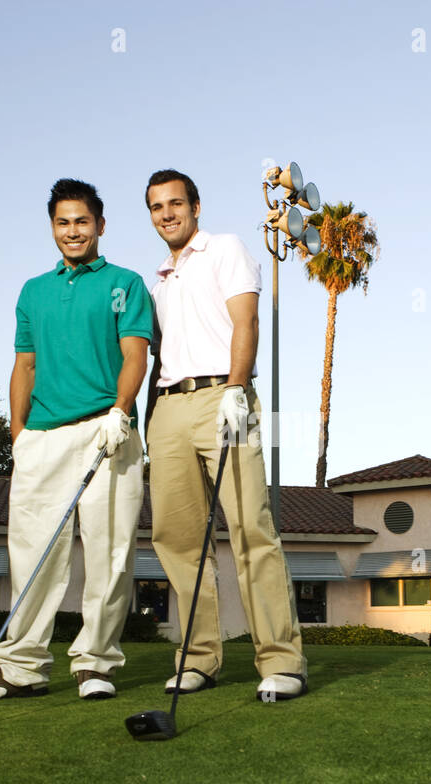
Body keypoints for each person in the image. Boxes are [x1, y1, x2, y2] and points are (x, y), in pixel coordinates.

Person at [0, 178, 152, 703]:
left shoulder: (126, 283)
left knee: (109, 555)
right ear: (52, 229)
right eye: (63, 222)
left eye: (82, 221)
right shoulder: (32, 290)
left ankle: (96, 666)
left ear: (100, 226)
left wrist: (120, 412)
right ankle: (20, 668)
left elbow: (136, 355)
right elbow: (24, 364)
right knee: (32, 555)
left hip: (106, 431)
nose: (73, 231)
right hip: (42, 438)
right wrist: (17, 434)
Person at [142, 168, 307, 701]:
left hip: (224, 398)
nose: (166, 213)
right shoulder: (159, 280)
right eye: (156, 207)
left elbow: (246, 322)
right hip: (169, 408)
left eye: (175, 203)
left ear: (195, 206)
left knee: (251, 530)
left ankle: (282, 661)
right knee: (177, 539)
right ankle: (198, 660)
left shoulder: (226, 248)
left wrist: (238, 389)